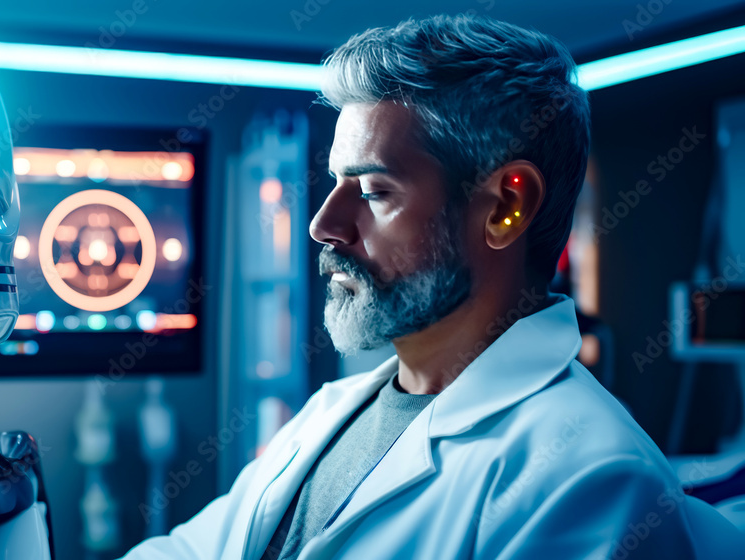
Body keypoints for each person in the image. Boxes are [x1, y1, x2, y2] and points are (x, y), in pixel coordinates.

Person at [120, 14, 740, 559]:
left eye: (373, 191)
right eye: (335, 184)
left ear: (504, 207)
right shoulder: (332, 412)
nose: (322, 225)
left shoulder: (589, 478)